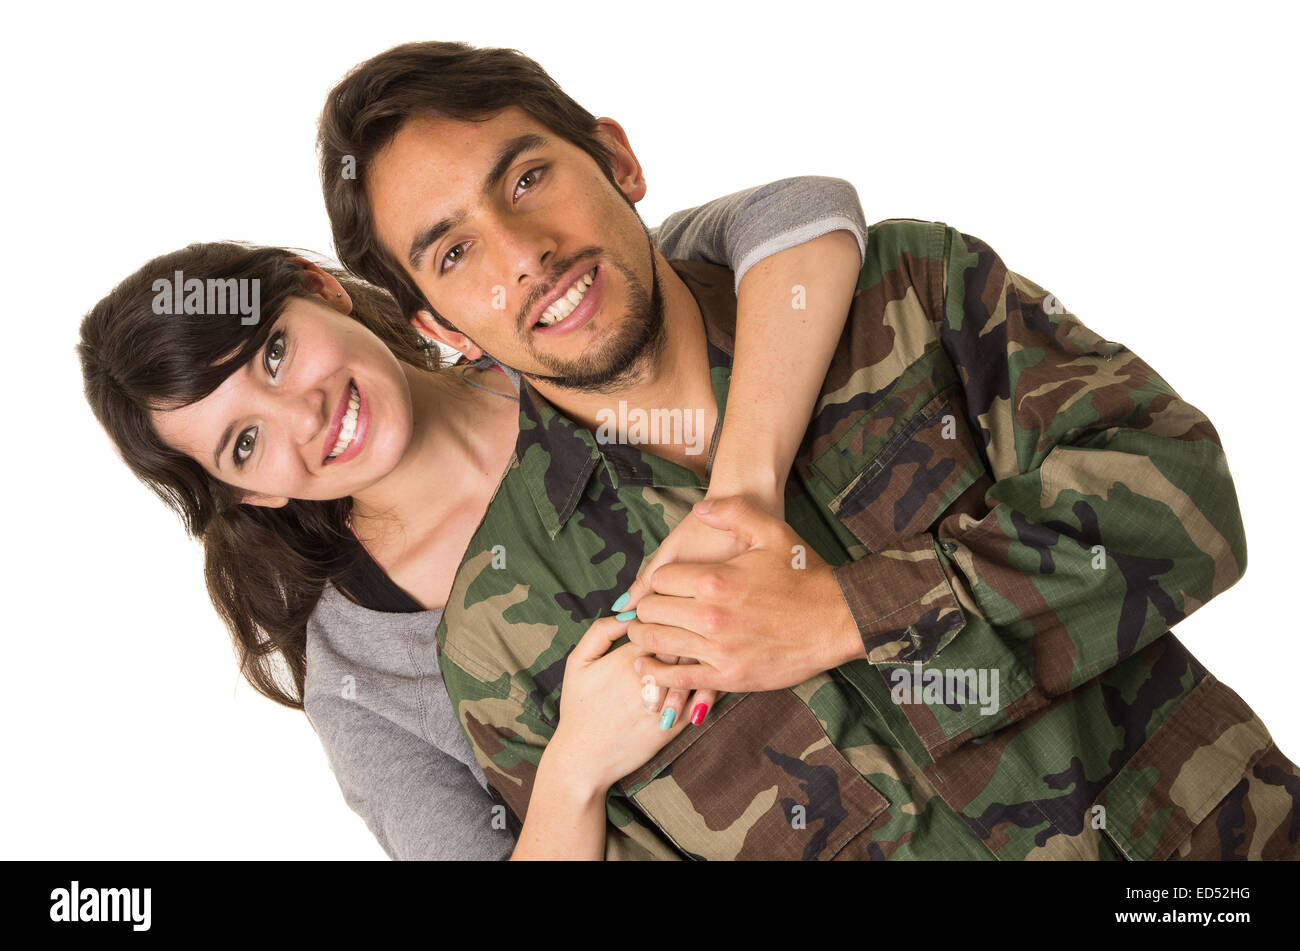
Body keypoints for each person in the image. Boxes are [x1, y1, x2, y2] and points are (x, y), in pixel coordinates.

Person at [317, 39, 1300, 860]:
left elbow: (1186, 496)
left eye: (528, 177)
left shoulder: (904, 292)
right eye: (455, 253)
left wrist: (844, 614)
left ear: (617, 159)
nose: (521, 252)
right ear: (435, 327)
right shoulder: (503, 631)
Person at [77, 177, 869, 859]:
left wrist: (739, 492)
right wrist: (573, 768)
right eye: (245, 443)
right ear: (249, 494)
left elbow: (802, 211)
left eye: (274, 355)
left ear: (317, 287)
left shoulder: (556, 333)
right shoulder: (363, 675)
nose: (304, 414)